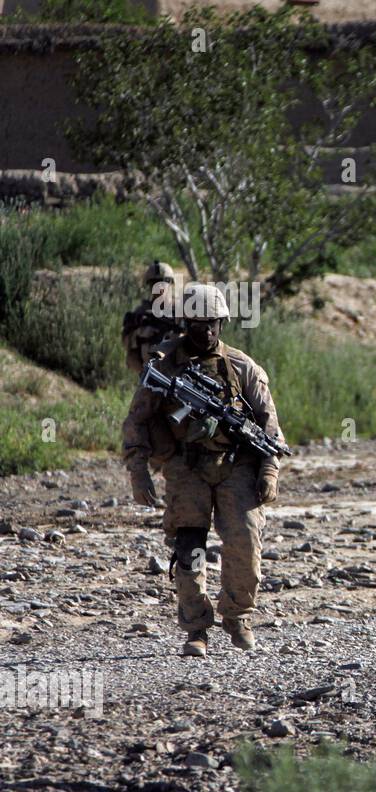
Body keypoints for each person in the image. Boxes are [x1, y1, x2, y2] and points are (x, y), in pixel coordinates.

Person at [122, 284, 285, 658]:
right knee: (189, 549)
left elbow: (269, 426)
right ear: (185, 323)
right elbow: (137, 421)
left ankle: (237, 616)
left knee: (245, 545)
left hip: (236, 467)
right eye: (197, 324)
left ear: (222, 323)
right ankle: (197, 628)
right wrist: (139, 472)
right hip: (186, 468)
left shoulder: (243, 367)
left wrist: (269, 471)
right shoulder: (164, 367)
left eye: (212, 323)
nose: (206, 331)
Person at [122, 261, 179, 375]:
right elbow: (128, 349)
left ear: (171, 283)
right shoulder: (140, 314)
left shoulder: (181, 312)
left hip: (177, 375)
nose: (160, 287)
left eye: (164, 282)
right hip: (148, 375)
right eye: (155, 282)